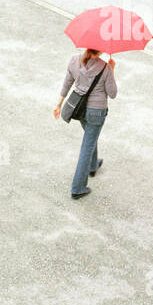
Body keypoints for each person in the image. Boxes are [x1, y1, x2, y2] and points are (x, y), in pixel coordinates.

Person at [53, 48, 117, 199]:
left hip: (79, 108)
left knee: (90, 137)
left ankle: (93, 165)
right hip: (97, 111)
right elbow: (113, 94)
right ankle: (78, 188)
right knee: (87, 146)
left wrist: (59, 104)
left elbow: (67, 84)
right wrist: (112, 70)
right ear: (101, 50)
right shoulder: (105, 67)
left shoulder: (74, 60)